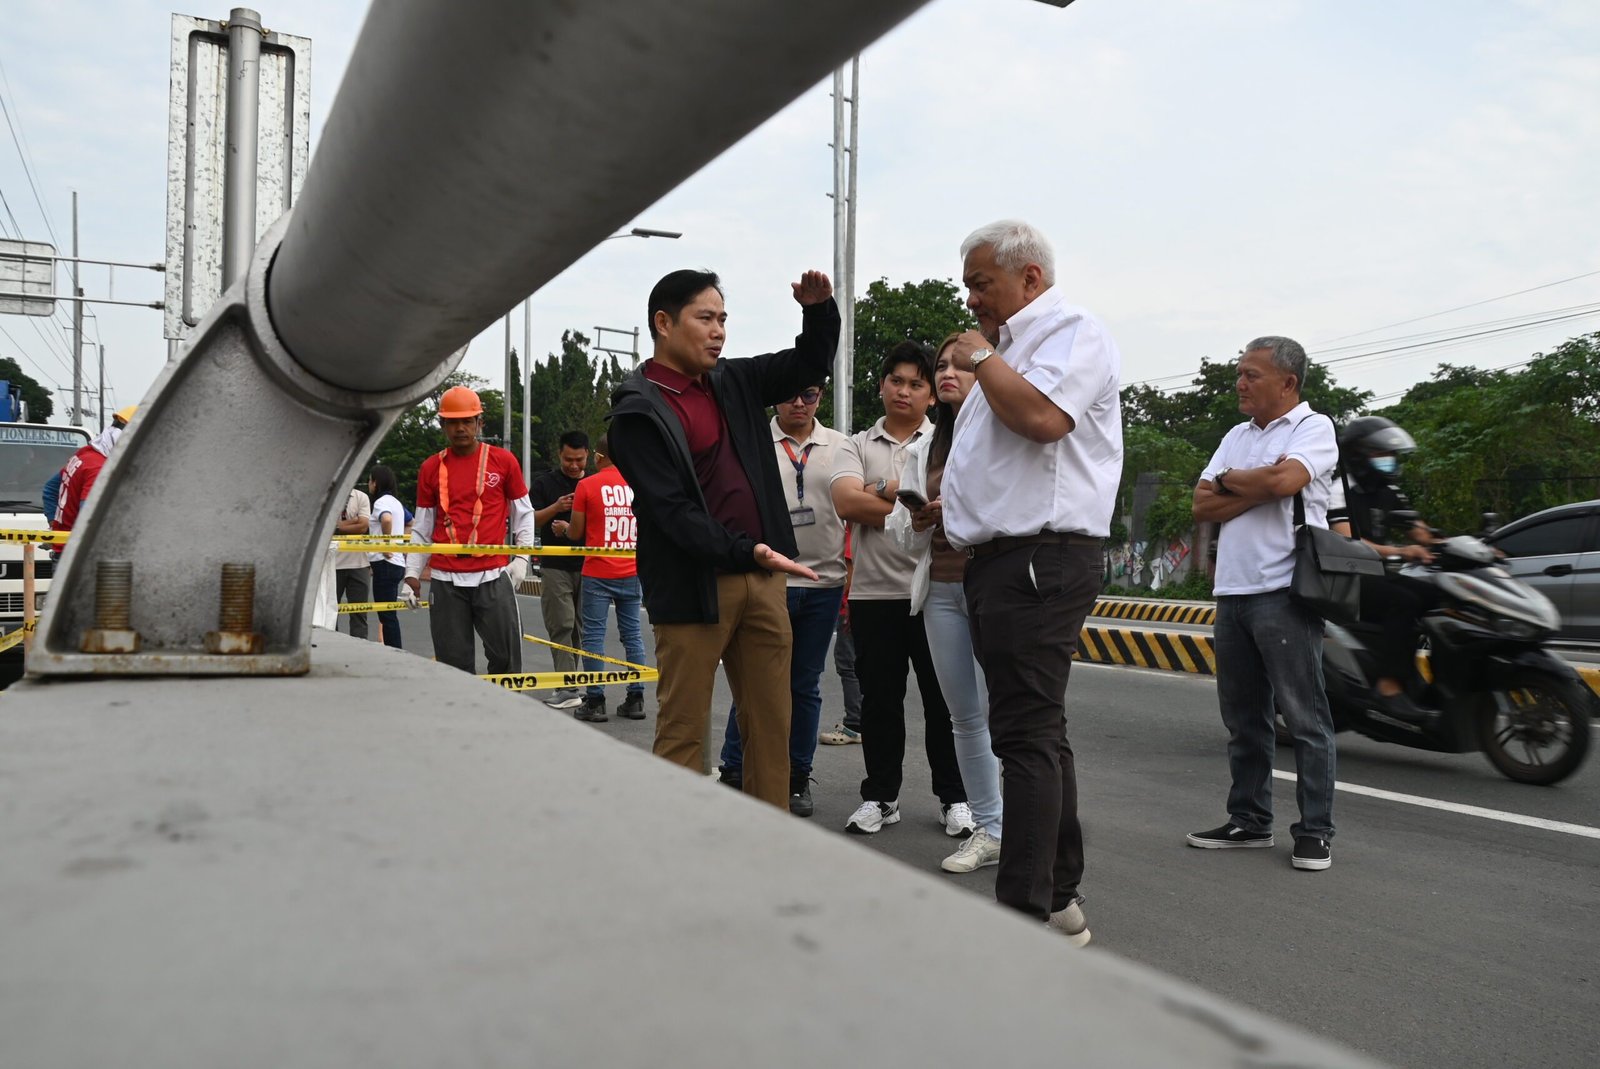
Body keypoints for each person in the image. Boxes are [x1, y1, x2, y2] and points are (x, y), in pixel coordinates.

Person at [940, 219, 1124, 945]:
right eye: (970, 285)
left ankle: (1025, 913)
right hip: (1003, 561)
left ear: (1030, 279)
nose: (972, 298)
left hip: (1040, 559)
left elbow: (1044, 420)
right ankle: (1059, 899)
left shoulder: (1071, 331)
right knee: (1036, 729)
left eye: (981, 283)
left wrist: (983, 356)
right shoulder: (1009, 355)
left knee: (1025, 735)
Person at [607, 267, 837, 810]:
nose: (719, 331)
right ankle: (683, 857)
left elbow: (809, 365)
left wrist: (818, 311)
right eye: (705, 318)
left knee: (770, 727)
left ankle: (767, 849)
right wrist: (743, 548)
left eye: (723, 319)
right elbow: (672, 512)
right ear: (664, 323)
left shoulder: (734, 380)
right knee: (685, 731)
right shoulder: (637, 413)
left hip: (761, 577)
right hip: (693, 587)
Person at [1187, 335, 1339, 873]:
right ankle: (1248, 822)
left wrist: (1234, 482)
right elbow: (1201, 502)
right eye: (1240, 373)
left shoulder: (1313, 428)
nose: (1241, 383)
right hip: (1232, 592)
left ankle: (1315, 831)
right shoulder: (1235, 435)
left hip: (1286, 593)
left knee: (1305, 717)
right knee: (1244, 719)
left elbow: (1288, 479)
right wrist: (1254, 484)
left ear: (1288, 382)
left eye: (1252, 374)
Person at [830, 341, 970, 838]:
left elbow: (958, 503)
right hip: (873, 594)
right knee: (879, 702)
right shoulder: (856, 444)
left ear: (932, 395)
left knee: (943, 702)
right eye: (897, 381)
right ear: (882, 384)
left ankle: (954, 798)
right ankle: (880, 797)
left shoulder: (948, 442)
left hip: (936, 592)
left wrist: (880, 490)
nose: (904, 391)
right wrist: (909, 497)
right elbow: (847, 503)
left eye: (917, 384)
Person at [887, 334, 1003, 873]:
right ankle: (990, 827)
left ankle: (1026, 820)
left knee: (1013, 713)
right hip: (941, 591)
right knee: (964, 716)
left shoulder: (1003, 433)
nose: (950, 372)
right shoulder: (923, 448)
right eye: (942, 366)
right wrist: (916, 519)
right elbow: (902, 540)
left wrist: (955, 512)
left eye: (963, 364)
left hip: (997, 587)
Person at [716, 377, 851, 816]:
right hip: (766, 579)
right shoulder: (753, 441)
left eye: (808, 394)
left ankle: (795, 776)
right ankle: (734, 767)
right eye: (789, 393)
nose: (798, 401)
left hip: (823, 581)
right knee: (754, 680)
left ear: (821, 397)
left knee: (804, 685)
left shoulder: (840, 445)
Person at [404, 385, 536, 675]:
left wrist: (522, 560)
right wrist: (411, 574)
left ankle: (502, 719)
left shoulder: (504, 461)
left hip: (492, 576)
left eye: (467, 421)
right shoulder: (430, 468)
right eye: (452, 422)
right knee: (454, 668)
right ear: (442, 425)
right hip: (446, 579)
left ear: (480, 423)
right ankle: (465, 719)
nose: (460, 428)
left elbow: (524, 514)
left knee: (507, 661)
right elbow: (423, 527)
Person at [1328, 416, 1439, 722]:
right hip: (1346, 578)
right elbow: (1347, 539)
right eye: (1380, 454)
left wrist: (1467, 545)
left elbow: (1420, 531)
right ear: (1358, 456)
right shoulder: (1341, 491)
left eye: (1390, 454)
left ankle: (1425, 679)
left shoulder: (1389, 490)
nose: (1388, 461)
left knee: (1438, 595)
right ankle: (1388, 688)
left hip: (1377, 575)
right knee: (1404, 601)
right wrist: (1401, 551)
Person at [567, 435, 646, 724]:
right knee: (633, 635)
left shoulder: (586, 485)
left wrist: (564, 528)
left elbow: (576, 533)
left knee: (594, 636)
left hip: (598, 572)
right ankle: (636, 697)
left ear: (598, 457)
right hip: (631, 568)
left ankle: (596, 699)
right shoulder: (639, 482)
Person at [527, 431, 591, 710]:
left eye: (578, 459)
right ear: (559, 455)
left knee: (581, 628)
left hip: (589, 566)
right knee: (561, 625)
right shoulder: (544, 483)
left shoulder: (595, 484)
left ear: (588, 455)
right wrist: (557, 507)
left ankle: (578, 687)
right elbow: (528, 520)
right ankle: (567, 687)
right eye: (568, 459)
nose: (573, 465)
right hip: (554, 566)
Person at [49, 404, 137, 542]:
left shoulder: (85, 454)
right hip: (80, 555)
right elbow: (90, 519)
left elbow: (50, 489)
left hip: (65, 548)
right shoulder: (98, 469)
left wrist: (54, 528)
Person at [818, 532, 864, 745]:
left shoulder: (850, 530)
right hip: (860, 601)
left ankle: (855, 723)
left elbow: (849, 567)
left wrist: (845, 602)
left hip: (849, 604)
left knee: (847, 664)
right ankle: (860, 719)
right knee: (856, 663)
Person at [366, 464, 407, 650]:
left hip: (385, 563)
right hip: (396, 563)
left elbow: (387, 520)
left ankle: (396, 652)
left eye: (370, 480)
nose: (369, 484)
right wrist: (400, 546)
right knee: (389, 613)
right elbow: (411, 522)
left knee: (387, 615)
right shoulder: (396, 503)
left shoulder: (381, 502)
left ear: (376, 482)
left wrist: (386, 544)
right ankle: (395, 651)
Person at [334, 485, 373, 640]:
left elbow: (363, 526)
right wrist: (353, 521)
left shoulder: (360, 497)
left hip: (359, 563)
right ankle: (330, 646)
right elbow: (325, 527)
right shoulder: (329, 497)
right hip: (332, 563)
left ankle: (359, 647)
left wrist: (338, 527)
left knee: (359, 614)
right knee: (329, 613)